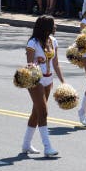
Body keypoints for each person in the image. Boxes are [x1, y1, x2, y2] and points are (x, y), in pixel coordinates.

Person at [22, 15, 65, 156]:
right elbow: (29, 65)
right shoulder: (32, 43)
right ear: (46, 27)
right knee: (43, 112)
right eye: (53, 24)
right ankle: (47, 147)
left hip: (49, 80)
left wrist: (63, 82)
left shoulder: (53, 41)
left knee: (36, 113)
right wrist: (35, 63)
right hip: (36, 80)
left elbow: (56, 64)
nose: (55, 27)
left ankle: (26, 145)